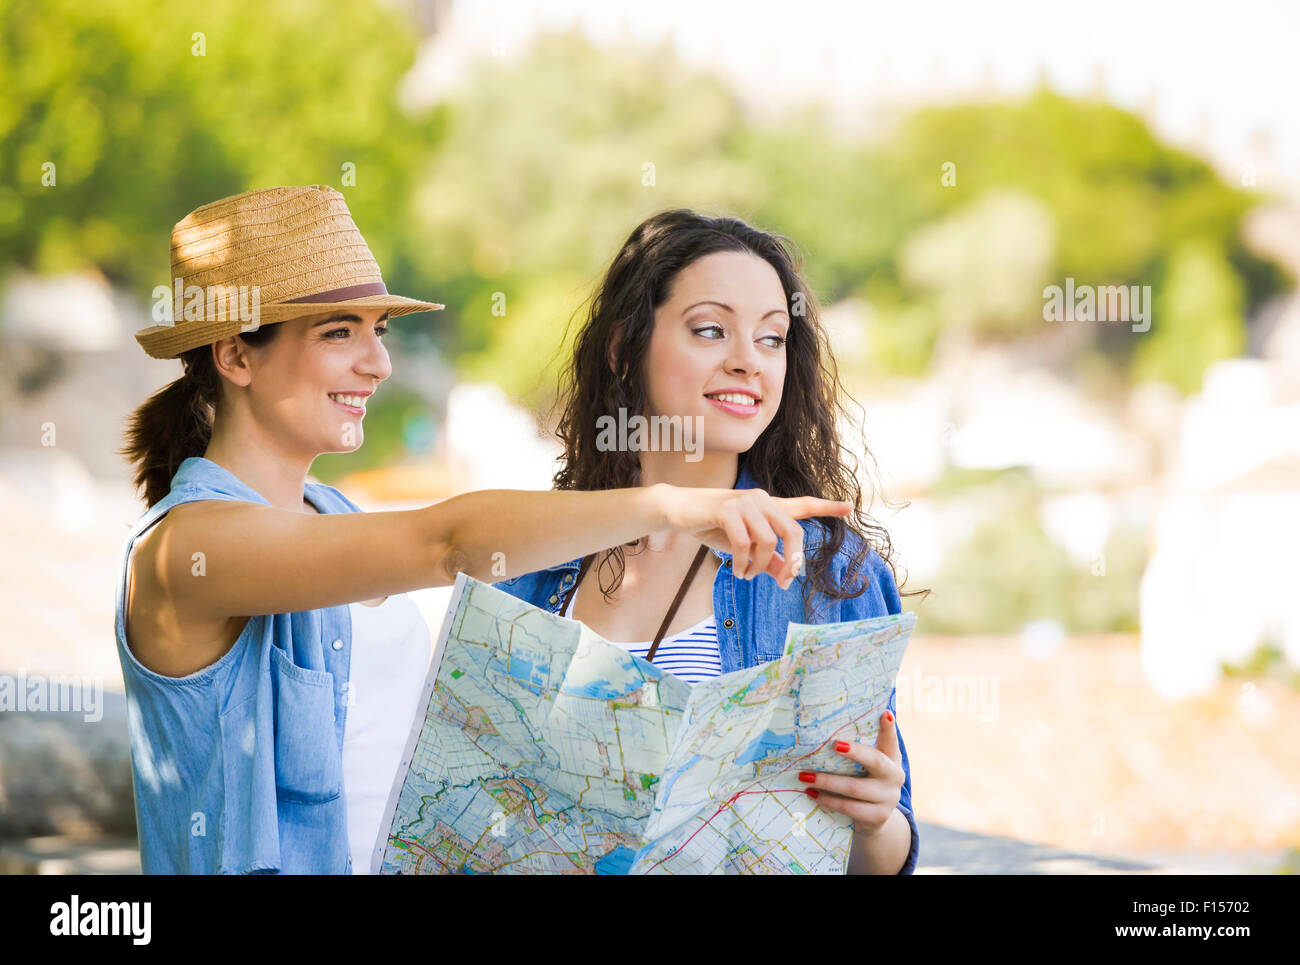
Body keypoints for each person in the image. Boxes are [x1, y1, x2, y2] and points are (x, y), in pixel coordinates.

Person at [115, 185, 853, 875]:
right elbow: (450, 543)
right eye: (340, 332)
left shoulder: (331, 519)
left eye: (378, 330)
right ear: (236, 353)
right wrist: (675, 506)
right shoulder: (188, 551)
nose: (378, 362)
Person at [496, 208, 922, 874]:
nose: (747, 361)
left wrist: (874, 818)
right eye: (710, 329)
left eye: (772, 338)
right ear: (621, 347)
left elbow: (885, 856)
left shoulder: (829, 571)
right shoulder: (531, 558)